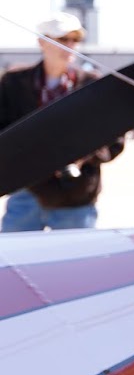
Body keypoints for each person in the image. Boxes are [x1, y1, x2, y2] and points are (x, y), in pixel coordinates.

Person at [0, 13, 122, 231]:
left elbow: (114, 137)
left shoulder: (92, 84)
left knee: (76, 263)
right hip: (25, 191)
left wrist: (81, 158)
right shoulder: (13, 83)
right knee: (13, 259)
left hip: (75, 197)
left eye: (74, 39)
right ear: (41, 41)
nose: (70, 45)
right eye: (62, 39)